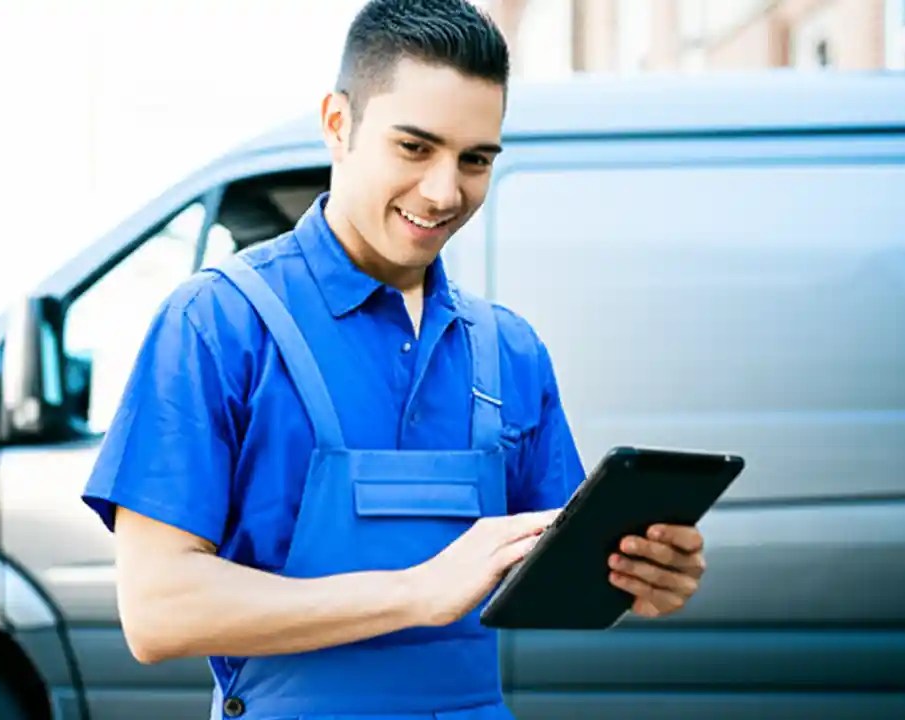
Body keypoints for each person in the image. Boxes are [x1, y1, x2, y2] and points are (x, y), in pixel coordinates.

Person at [81, 1, 709, 717]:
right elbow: (158, 612)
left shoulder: (509, 351)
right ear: (338, 125)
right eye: (415, 148)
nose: (445, 192)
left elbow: (553, 569)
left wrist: (643, 576)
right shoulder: (216, 324)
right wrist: (417, 592)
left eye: (475, 160)